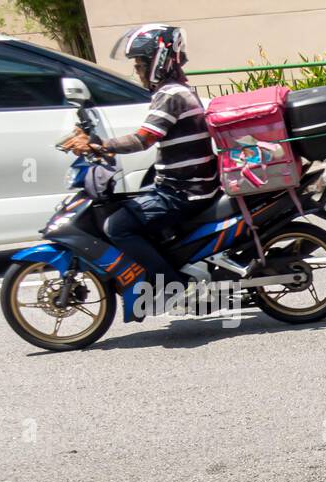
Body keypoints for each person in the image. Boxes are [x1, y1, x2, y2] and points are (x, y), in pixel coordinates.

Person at [82, 25, 219, 317]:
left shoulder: (171, 95)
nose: (139, 71)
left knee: (116, 227)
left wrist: (101, 145)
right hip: (185, 184)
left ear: (160, 60)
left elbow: (143, 139)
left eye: (141, 64)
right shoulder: (176, 92)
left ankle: (175, 288)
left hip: (184, 191)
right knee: (129, 206)